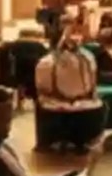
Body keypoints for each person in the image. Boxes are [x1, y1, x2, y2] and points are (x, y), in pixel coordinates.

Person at [35, 22, 106, 154]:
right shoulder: (88, 58)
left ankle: (44, 142)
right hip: (86, 107)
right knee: (101, 102)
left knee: (40, 101)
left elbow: (41, 86)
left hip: (55, 108)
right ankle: (89, 139)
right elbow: (92, 84)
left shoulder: (45, 62)